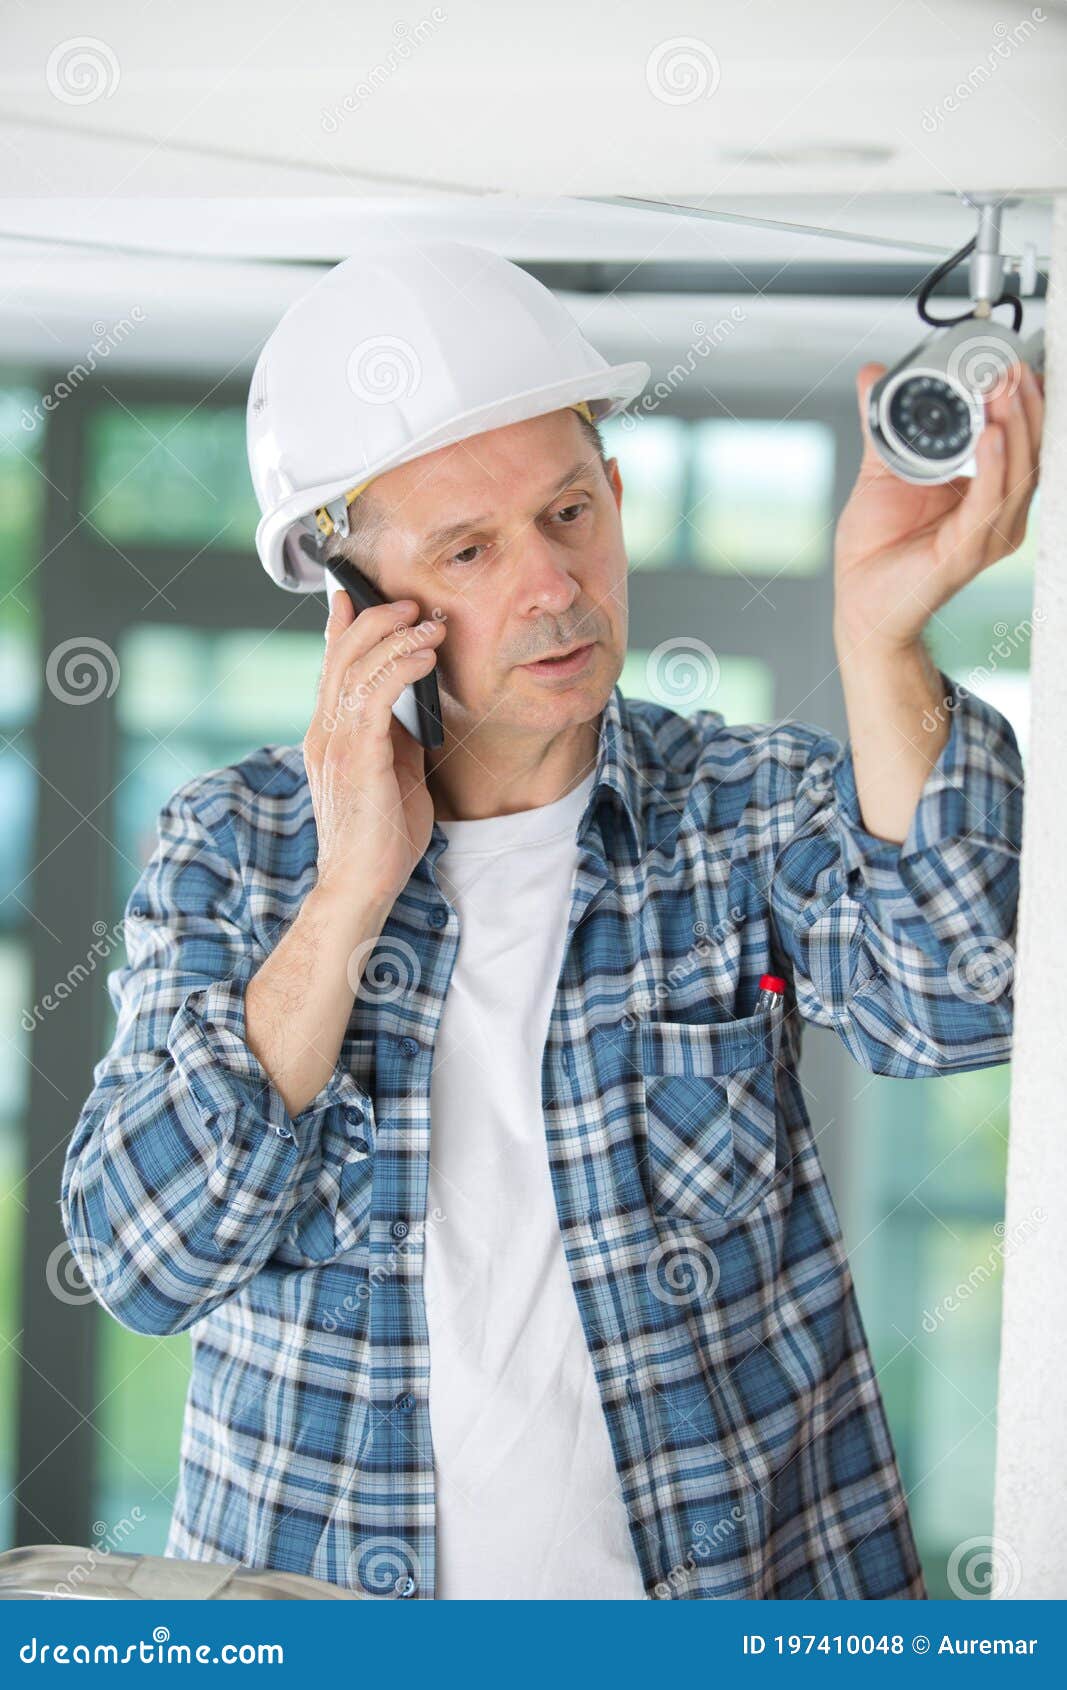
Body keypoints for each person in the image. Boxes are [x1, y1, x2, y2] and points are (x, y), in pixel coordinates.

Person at [61, 240, 1040, 1600]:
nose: (553, 585)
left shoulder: (745, 809)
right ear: (356, 604)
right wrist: (351, 888)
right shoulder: (236, 848)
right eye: (471, 548)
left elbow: (969, 994)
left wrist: (882, 639)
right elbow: (142, 1255)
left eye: (570, 514)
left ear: (617, 496)